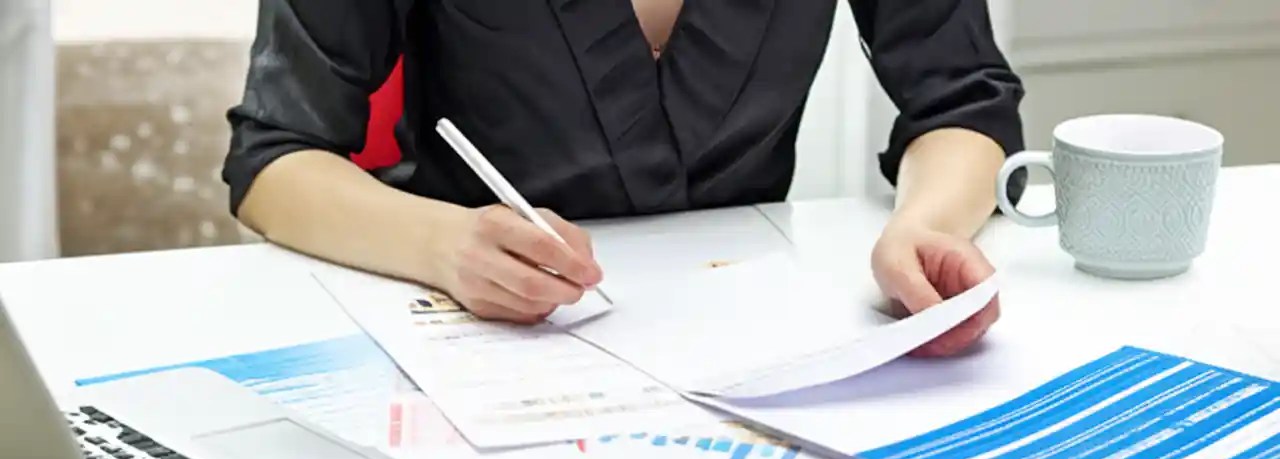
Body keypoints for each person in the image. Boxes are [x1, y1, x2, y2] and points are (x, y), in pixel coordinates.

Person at [224, 0, 1024, 356]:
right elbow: (276, 157)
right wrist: (445, 245)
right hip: (478, 345)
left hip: (752, 345)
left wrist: (927, 223)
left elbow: (963, 99)